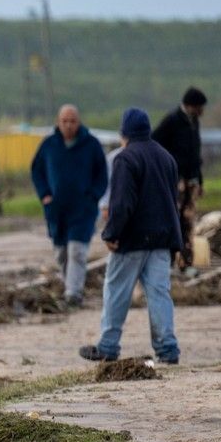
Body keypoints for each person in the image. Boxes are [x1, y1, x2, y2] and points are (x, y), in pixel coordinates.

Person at [80, 108, 182, 365]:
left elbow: (122, 202)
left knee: (116, 291)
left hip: (132, 240)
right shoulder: (166, 157)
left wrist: (111, 233)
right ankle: (167, 349)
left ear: (123, 133)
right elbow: (172, 199)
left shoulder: (125, 158)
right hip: (162, 238)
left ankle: (108, 346)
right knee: (159, 293)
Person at [28, 104, 110, 307]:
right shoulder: (49, 145)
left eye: (72, 121)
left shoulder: (91, 145)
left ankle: (74, 293)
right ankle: (69, 287)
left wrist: (93, 196)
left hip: (83, 209)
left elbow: (102, 174)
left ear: (78, 122)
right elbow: (36, 171)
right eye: (65, 121)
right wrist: (45, 195)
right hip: (57, 209)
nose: (68, 125)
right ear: (58, 122)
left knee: (77, 251)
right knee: (61, 253)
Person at [152, 87, 206, 270]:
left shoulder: (194, 121)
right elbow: (155, 141)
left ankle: (185, 263)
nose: (202, 111)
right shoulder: (173, 120)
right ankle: (168, 261)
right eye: (200, 107)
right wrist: (168, 166)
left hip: (191, 180)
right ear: (191, 105)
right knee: (172, 220)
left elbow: (196, 153)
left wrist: (200, 180)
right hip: (175, 180)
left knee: (188, 223)